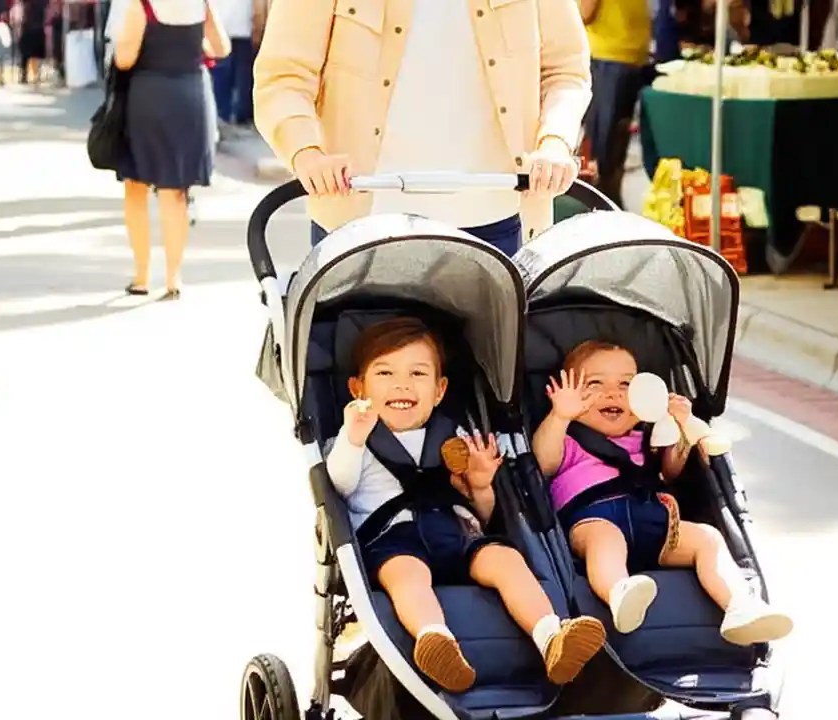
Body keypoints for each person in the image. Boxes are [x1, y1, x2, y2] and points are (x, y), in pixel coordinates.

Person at [327, 318, 607, 693]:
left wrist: (480, 484)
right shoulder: (350, 440)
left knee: (506, 560)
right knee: (407, 575)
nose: (402, 384)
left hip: (457, 531)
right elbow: (339, 486)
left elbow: (484, 515)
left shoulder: (455, 436)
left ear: (439, 390)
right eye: (385, 372)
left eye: (417, 373)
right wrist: (354, 437)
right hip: (393, 539)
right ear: (357, 388)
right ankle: (436, 639)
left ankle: (551, 636)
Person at [253, 0, 590, 256]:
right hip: (359, 225)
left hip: (500, 219)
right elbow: (283, 78)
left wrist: (554, 142)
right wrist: (307, 153)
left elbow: (565, 71)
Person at [531, 340, 794, 645]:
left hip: (654, 523)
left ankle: (739, 604)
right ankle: (619, 592)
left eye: (626, 385)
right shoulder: (568, 439)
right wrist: (560, 416)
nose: (613, 393)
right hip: (593, 519)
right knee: (606, 542)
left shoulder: (645, 439)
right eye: (594, 384)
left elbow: (671, 472)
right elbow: (542, 462)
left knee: (708, 538)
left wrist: (680, 428)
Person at [111, 0, 228, 300]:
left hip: (149, 97)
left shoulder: (142, 5)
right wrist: (191, 46)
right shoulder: (201, 4)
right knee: (175, 191)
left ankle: (141, 276)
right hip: (191, 95)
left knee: (136, 184)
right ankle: (173, 277)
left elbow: (124, 59)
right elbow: (221, 48)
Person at [580, 0, 651, 208]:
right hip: (626, 53)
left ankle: (603, 209)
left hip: (610, 55)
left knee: (604, 152)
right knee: (612, 150)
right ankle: (608, 208)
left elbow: (585, 12)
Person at [206, 0, 254, 129]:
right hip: (243, 28)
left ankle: (224, 116)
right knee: (243, 76)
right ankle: (240, 117)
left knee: (222, 76)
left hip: (222, 29)